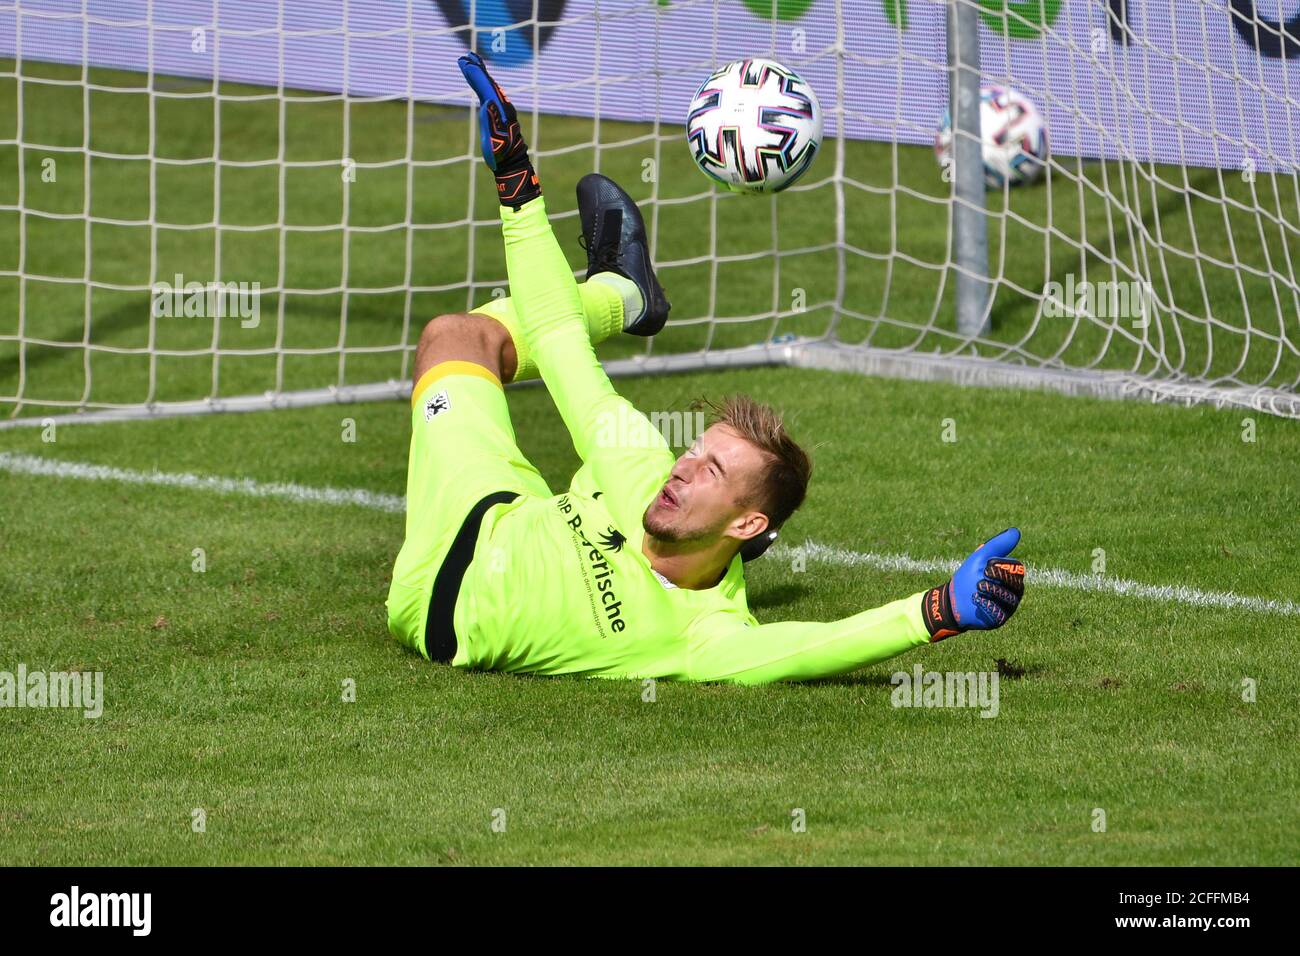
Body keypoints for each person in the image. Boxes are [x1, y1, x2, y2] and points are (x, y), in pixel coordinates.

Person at [384, 53, 1026, 684]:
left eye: (710, 471)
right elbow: (556, 340)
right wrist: (516, 181)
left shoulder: (702, 632)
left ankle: (622, 293)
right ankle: (622, 297)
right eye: (696, 454)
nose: (681, 468)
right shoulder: (637, 464)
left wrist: (935, 611)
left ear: (747, 524)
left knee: (455, 336)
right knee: (457, 336)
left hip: (425, 597)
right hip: (486, 507)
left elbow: (814, 647)